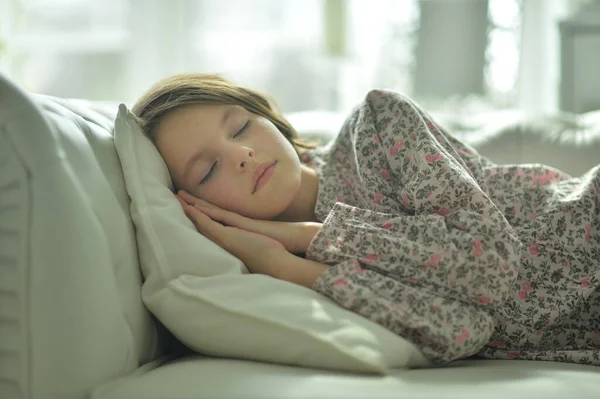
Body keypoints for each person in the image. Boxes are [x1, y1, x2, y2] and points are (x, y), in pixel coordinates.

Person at [132, 72, 600, 366]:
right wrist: (288, 266)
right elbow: (464, 329)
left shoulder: (376, 126)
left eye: (240, 126)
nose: (241, 154)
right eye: (209, 169)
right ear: (198, 207)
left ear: (270, 118)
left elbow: (492, 265)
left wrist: (310, 236)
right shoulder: (277, 277)